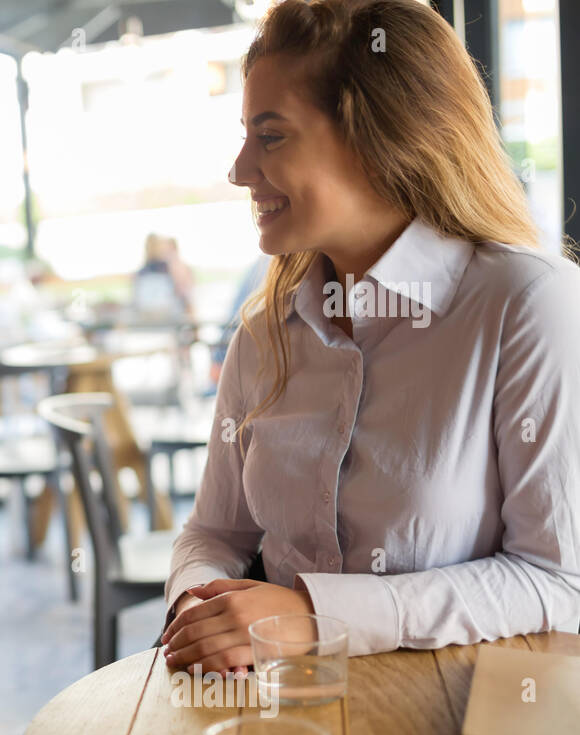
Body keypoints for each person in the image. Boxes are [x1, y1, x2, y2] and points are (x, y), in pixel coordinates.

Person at [160, 0, 580, 675]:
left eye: (271, 137)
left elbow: (557, 581)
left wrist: (311, 615)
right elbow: (215, 532)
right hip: (280, 721)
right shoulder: (263, 332)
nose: (239, 170)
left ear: (381, 139)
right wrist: (200, 608)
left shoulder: (527, 304)